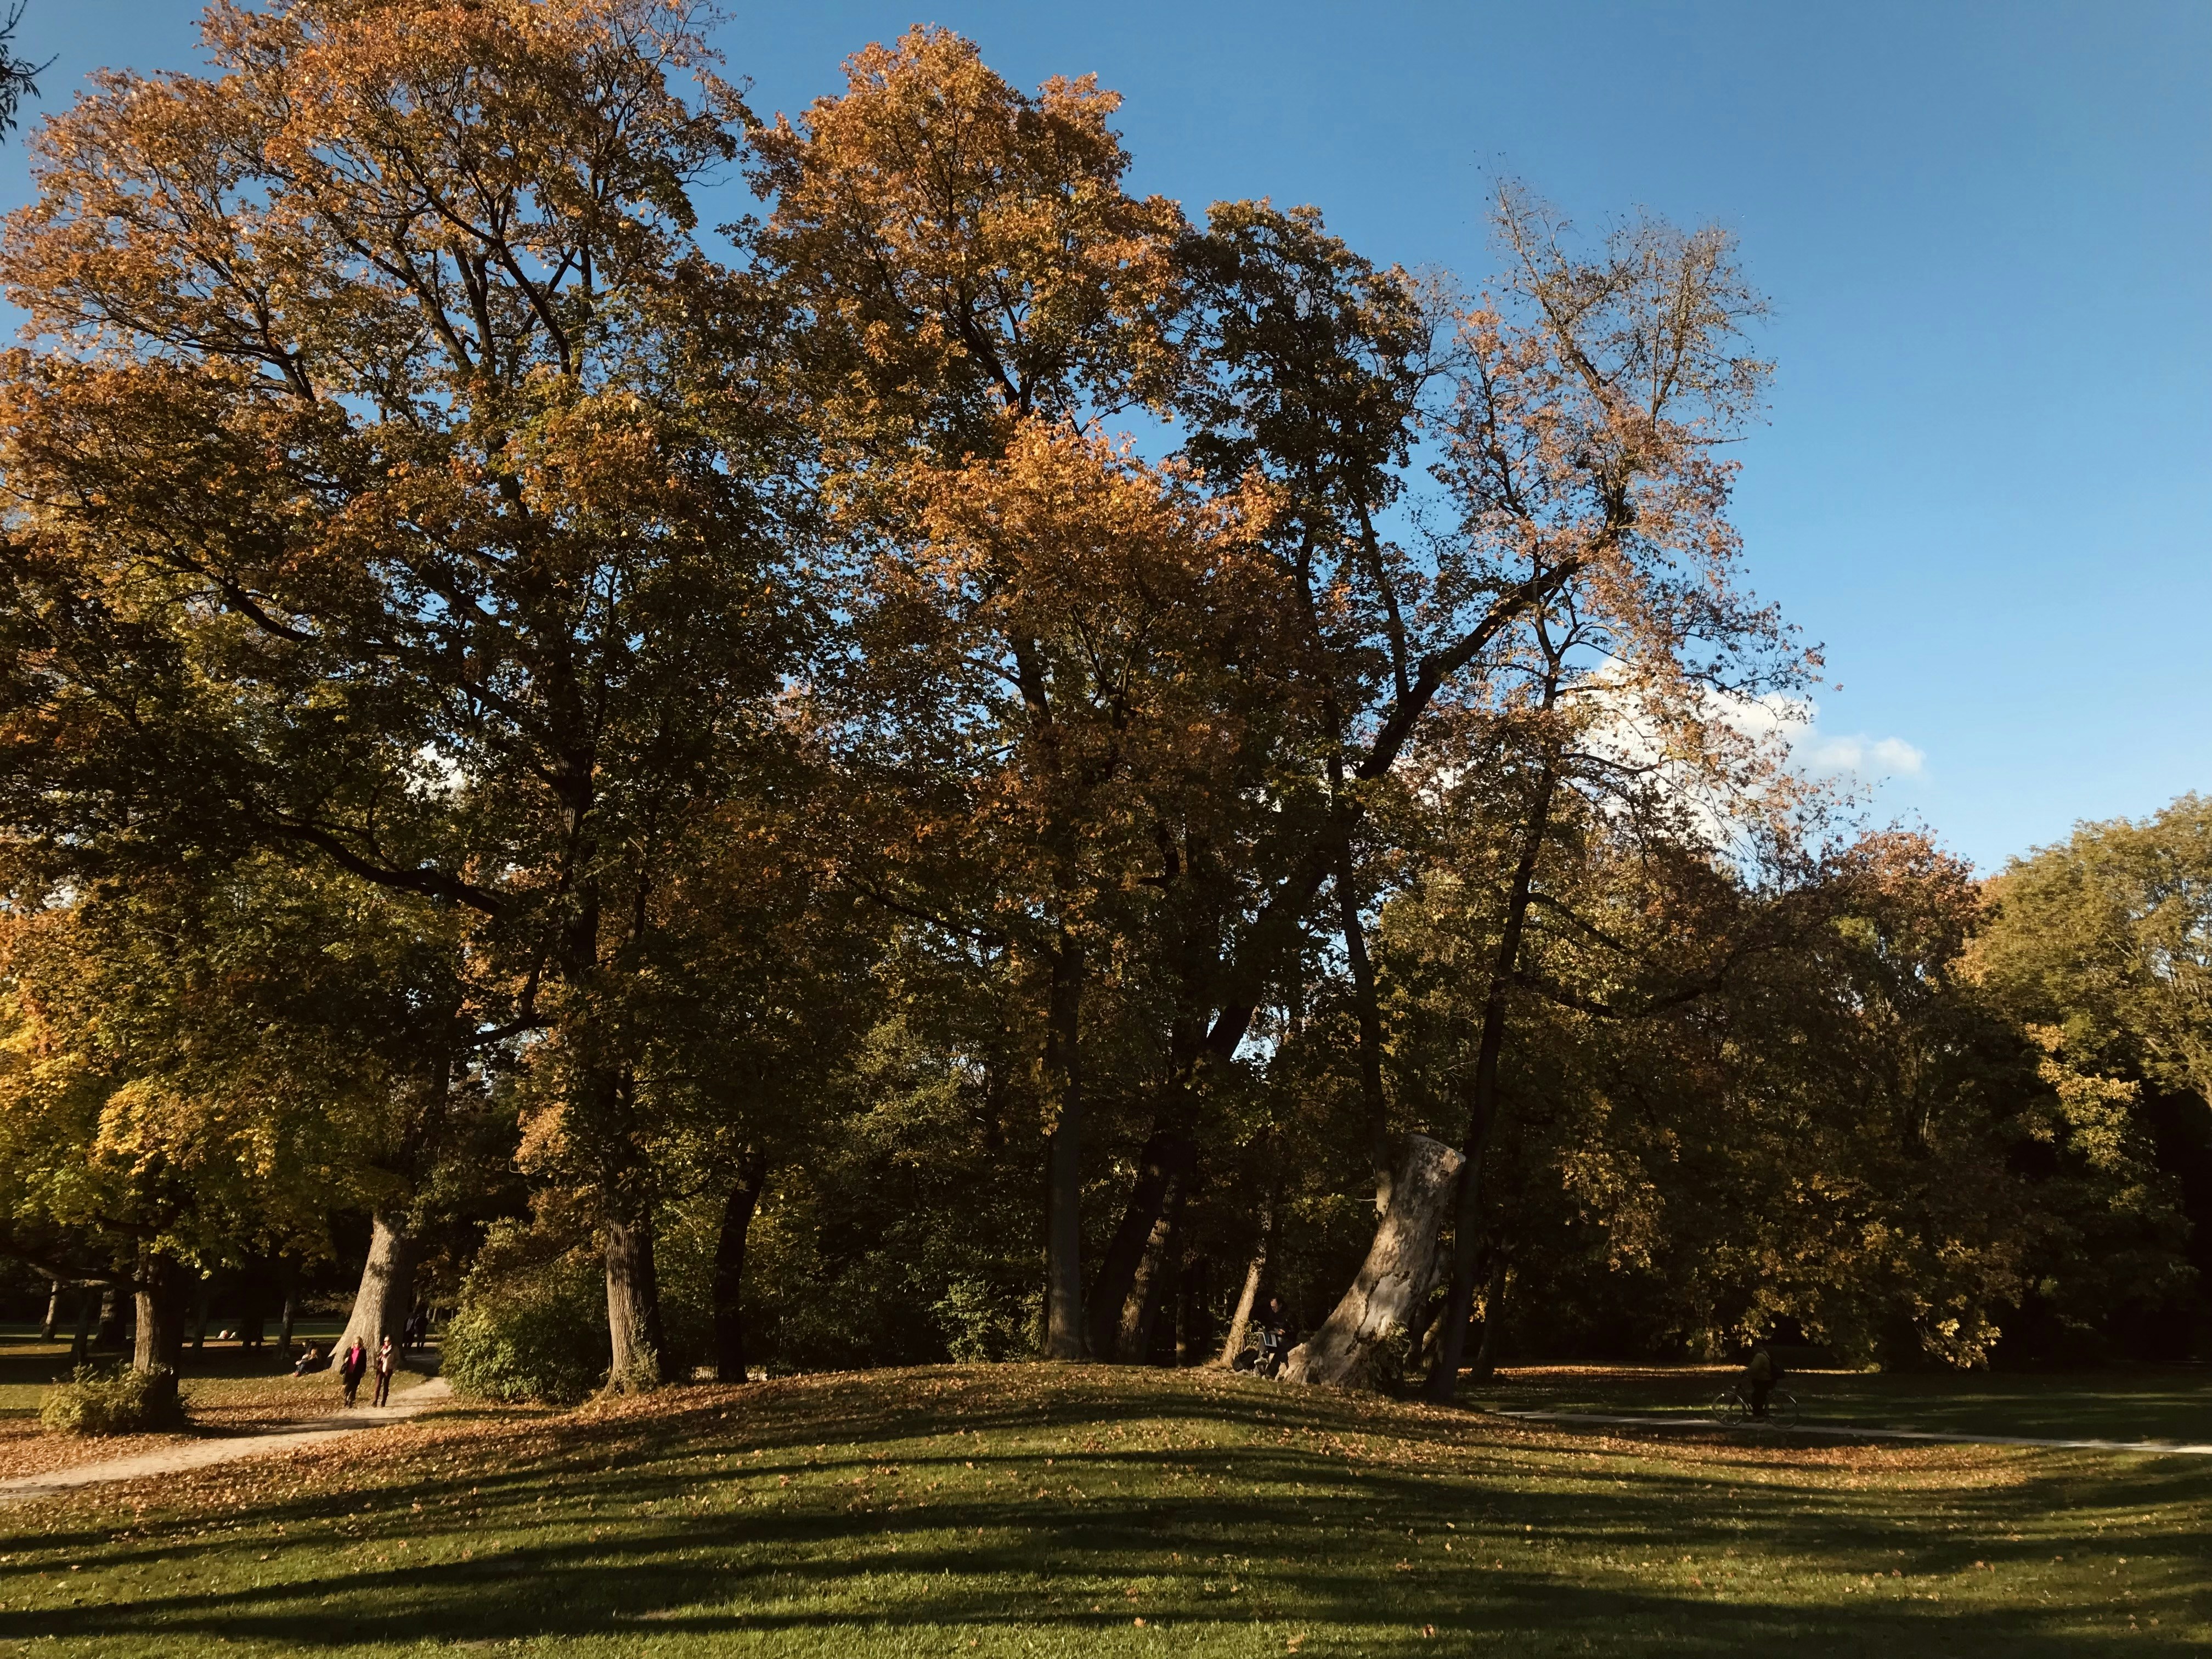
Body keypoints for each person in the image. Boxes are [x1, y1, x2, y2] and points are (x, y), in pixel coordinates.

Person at [1745, 1343, 1781, 1419]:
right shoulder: (1765, 1354)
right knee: (1760, 1397)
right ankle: (1761, 1413)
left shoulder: (1760, 1356)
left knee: (1756, 1397)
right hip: (1767, 1380)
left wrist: (1744, 1373)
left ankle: (1758, 1415)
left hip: (1763, 1380)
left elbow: (1754, 1368)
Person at [340, 1336, 369, 1407]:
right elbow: (344, 1358)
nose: (357, 1345)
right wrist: (346, 1360)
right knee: (348, 1386)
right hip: (349, 1371)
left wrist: (363, 1371)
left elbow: (364, 1362)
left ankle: (350, 1400)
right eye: (356, 1343)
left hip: (357, 1372)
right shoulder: (350, 1350)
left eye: (359, 1344)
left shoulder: (362, 1352)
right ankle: (346, 1398)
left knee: (354, 1387)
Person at [372, 1334, 397, 1406]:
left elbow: (397, 1359)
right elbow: (377, 1356)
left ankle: (383, 1401)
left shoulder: (394, 1349)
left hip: (388, 1369)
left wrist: (392, 1366)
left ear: (391, 1341)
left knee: (386, 1385)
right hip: (380, 1367)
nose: (386, 1342)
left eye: (388, 1341)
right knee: (378, 1385)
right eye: (385, 1341)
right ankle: (375, 1401)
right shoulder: (381, 1348)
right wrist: (377, 1359)